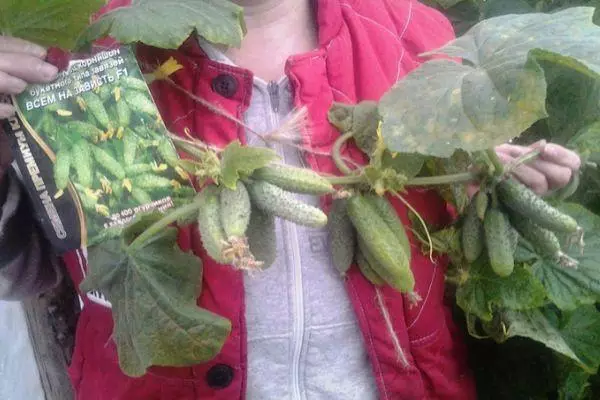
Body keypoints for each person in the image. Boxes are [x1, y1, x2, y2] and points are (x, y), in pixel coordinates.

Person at [0, 0, 582, 399]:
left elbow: (455, 220)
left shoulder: (415, 37)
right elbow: (20, 266)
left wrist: (494, 172)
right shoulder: (82, 57)